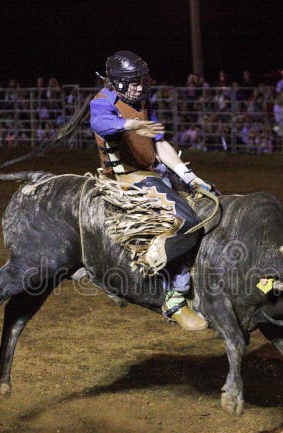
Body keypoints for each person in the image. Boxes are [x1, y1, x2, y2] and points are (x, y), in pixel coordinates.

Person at [89, 50, 216, 330]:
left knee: (204, 206)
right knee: (186, 222)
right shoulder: (102, 102)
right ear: (118, 83)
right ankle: (175, 298)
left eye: (140, 80)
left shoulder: (142, 101)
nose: (140, 86)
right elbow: (99, 123)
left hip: (152, 173)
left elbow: (159, 143)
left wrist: (188, 175)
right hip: (127, 178)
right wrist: (129, 124)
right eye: (133, 82)